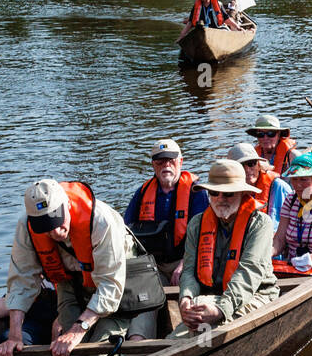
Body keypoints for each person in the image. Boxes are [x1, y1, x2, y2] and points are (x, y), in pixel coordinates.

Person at [0, 179, 149, 356]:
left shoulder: (101, 220)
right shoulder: (26, 226)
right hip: (72, 281)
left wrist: (78, 330)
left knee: (99, 354)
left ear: (67, 205)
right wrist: (14, 335)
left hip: (117, 280)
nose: (56, 233)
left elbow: (111, 285)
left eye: (57, 222)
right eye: (46, 228)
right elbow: (21, 280)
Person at [175, 159, 278, 334]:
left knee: (203, 331)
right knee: (182, 333)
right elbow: (189, 270)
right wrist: (186, 298)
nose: (220, 199)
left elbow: (249, 272)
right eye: (215, 193)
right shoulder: (197, 224)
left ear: (242, 193)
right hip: (210, 297)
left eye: (228, 194)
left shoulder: (260, 224)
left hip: (255, 295)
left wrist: (220, 310)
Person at [123, 138, 209, 284]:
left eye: (171, 160)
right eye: (160, 162)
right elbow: (125, 229)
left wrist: (185, 264)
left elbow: (205, 234)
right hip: (153, 262)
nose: (166, 165)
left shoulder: (197, 192)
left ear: (180, 162)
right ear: (153, 165)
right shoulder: (142, 193)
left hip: (185, 260)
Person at [226, 142, 291, 225]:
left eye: (251, 164)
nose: (247, 170)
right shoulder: (222, 193)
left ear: (259, 166)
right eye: (241, 166)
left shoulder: (279, 187)